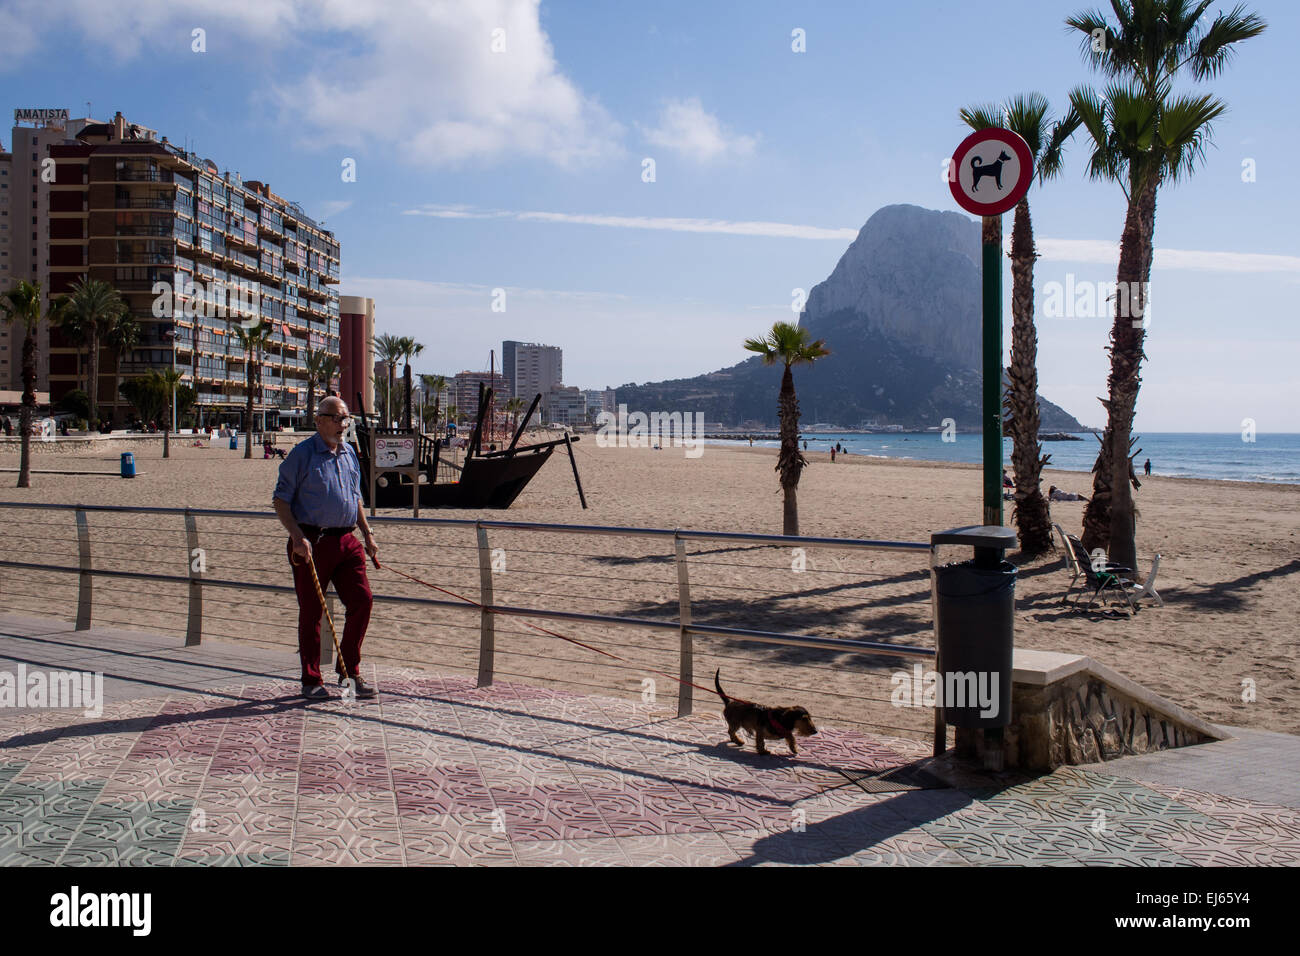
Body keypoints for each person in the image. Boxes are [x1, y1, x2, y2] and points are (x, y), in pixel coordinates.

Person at [273, 396, 379, 699]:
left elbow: (355, 498)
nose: (342, 424)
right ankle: (311, 679)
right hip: (311, 541)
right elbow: (280, 500)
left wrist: (367, 534)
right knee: (312, 611)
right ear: (319, 420)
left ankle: (349, 672)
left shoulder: (348, 454)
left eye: (345, 419)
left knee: (363, 600)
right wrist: (296, 536)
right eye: (335, 418)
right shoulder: (302, 455)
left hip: (348, 540)